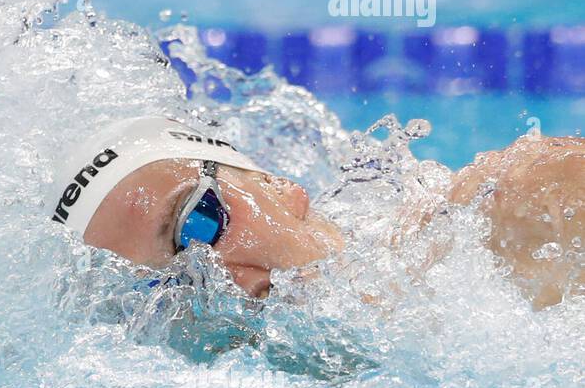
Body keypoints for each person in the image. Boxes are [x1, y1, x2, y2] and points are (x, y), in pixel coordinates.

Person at [50, 116, 584, 308]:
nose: (223, 279)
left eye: (199, 222)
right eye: (174, 288)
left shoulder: (512, 205)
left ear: (278, 187)